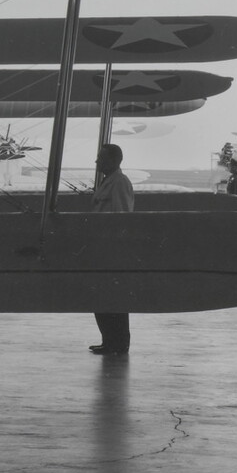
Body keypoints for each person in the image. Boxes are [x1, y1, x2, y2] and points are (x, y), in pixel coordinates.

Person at [90, 141, 136, 355]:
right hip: (100, 249)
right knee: (101, 297)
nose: (97, 161)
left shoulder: (119, 183)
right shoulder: (108, 181)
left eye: (101, 157)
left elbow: (120, 218)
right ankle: (109, 340)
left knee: (114, 298)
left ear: (112, 160)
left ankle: (118, 343)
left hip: (111, 251)